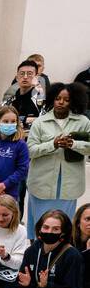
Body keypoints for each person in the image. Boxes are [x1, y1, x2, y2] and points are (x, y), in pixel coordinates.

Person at [25, 82, 90, 233]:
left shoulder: (83, 122)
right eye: (58, 98)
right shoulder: (40, 122)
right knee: (40, 227)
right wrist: (52, 145)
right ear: (52, 99)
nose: (61, 102)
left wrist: (73, 144)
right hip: (41, 184)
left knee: (63, 229)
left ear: (73, 101)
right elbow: (30, 151)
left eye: (66, 100)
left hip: (69, 185)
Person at [0, 194, 29, 288]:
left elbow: (19, 264)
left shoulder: (21, 231)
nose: (0, 219)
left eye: (5, 215)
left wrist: (6, 256)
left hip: (9, 274)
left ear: (14, 213)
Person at [5, 60, 44, 130]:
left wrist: (21, 119)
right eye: (22, 73)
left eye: (29, 74)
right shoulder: (10, 98)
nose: (25, 77)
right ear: (17, 78)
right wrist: (28, 119)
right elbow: (2, 117)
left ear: (36, 77)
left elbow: (44, 119)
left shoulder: (39, 97)